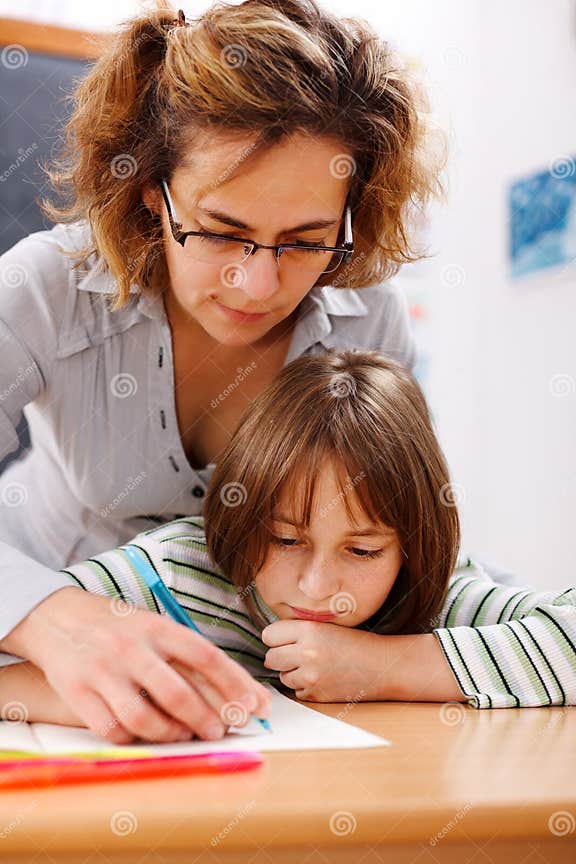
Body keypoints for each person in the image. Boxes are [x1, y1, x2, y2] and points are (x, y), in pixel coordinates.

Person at [0, 0, 451, 743]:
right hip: (46, 675)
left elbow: (400, 522)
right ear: (153, 192)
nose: (257, 287)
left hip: (262, 697)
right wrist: (50, 617)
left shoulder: (369, 316)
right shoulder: (44, 288)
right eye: (220, 232)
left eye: (305, 240)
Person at [2, 351, 574, 741]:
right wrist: (84, 695)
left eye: (364, 551)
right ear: (239, 514)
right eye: (284, 539)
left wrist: (386, 667)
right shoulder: (173, 574)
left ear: (413, 546)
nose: (318, 587)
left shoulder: (433, 594)